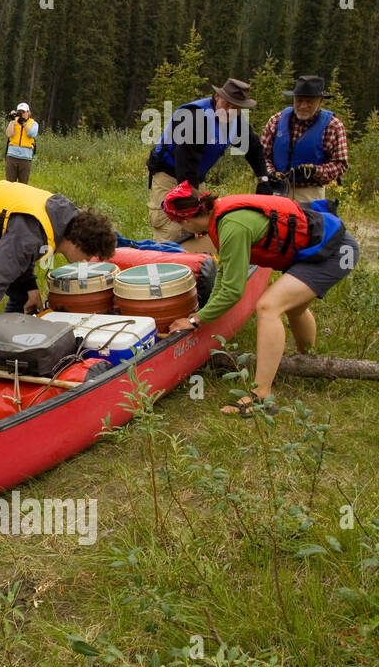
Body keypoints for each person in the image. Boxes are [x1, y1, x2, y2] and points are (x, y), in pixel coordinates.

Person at [159, 181, 359, 416]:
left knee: (268, 306)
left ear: (185, 221)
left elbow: (233, 291)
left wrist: (195, 322)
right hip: (318, 248)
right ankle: (309, 363)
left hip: (333, 252)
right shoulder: (221, 216)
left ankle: (261, 396)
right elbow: (225, 273)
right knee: (294, 308)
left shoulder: (231, 226)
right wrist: (202, 313)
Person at [0, 180, 118, 374]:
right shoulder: (32, 235)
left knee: (22, 299)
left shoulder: (67, 222)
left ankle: (5, 356)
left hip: (8, 233)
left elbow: (24, 248)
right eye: (89, 255)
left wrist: (30, 287)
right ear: (77, 244)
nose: (87, 260)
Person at [146, 77, 272, 252]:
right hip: (170, 175)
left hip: (195, 178)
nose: (229, 111)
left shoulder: (235, 121)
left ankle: (197, 273)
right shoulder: (193, 118)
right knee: (173, 230)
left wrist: (263, 179)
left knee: (202, 231)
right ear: (216, 97)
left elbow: (254, 148)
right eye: (227, 105)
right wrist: (192, 211)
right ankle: (166, 270)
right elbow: (186, 166)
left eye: (235, 108)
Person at [260, 75, 350, 205]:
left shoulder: (333, 126)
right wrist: (271, 173)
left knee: (307, 225)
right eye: (299, 100)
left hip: (310, 193)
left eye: (309, 101)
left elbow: (341, 164)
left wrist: (315, 171)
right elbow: (263, 156)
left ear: (320, 101)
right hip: (275, 190)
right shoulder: (276, 121)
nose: (303, 105)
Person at [4, 102, 39, 183]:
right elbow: (9, 134)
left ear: (28, 112)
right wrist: (13, 121)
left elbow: (32, 134)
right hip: (12, 156)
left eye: (23, 112)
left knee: (23, 184)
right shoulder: (14, 122)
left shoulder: (34, 123)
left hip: (25, 158)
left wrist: (23, 123)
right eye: (20, 112)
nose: (22, 114)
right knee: (9, 183)